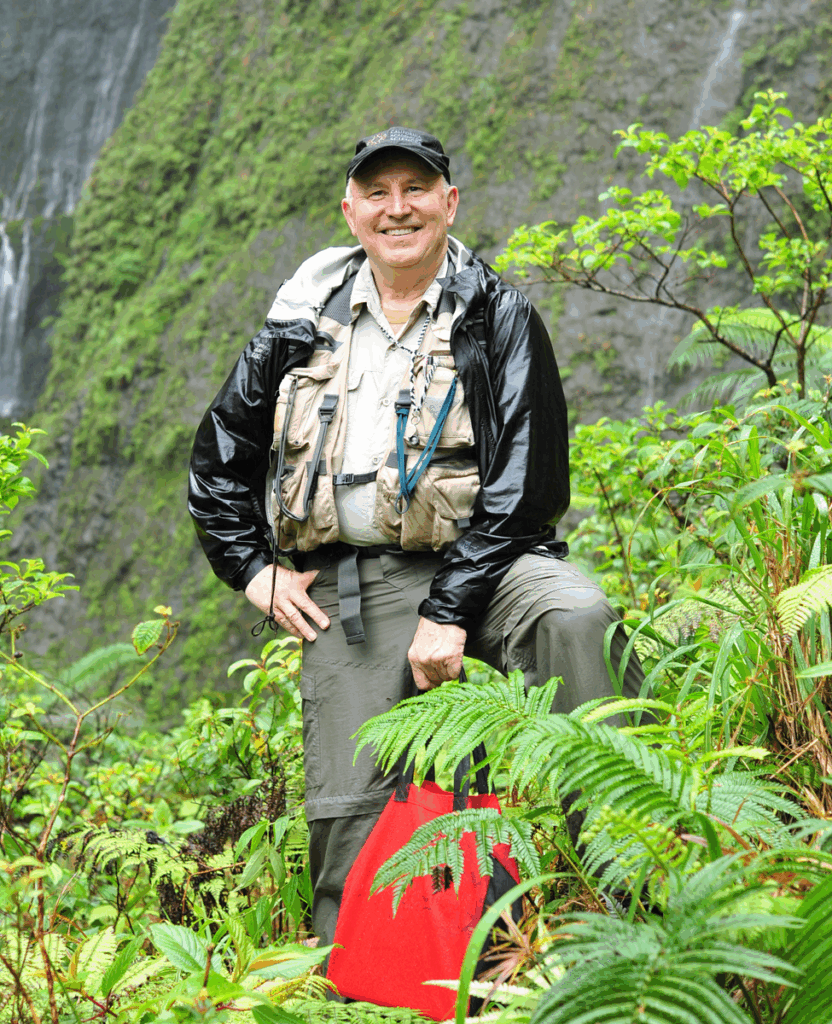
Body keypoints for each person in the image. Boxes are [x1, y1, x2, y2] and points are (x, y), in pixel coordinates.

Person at [188, 127, 644, 947]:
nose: (398, 209)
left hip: (492, 561)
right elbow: (219, 456)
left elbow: (527, 485)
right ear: (352, 210)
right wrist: (252, 569)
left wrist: (451, 608)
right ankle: (384, 979)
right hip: (353, 583)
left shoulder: (496, 315)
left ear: (449, 202)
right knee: (355, 819)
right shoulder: (297, 325)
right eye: (379, 193)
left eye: (416, 190)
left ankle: (635, 891)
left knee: (576, 621)